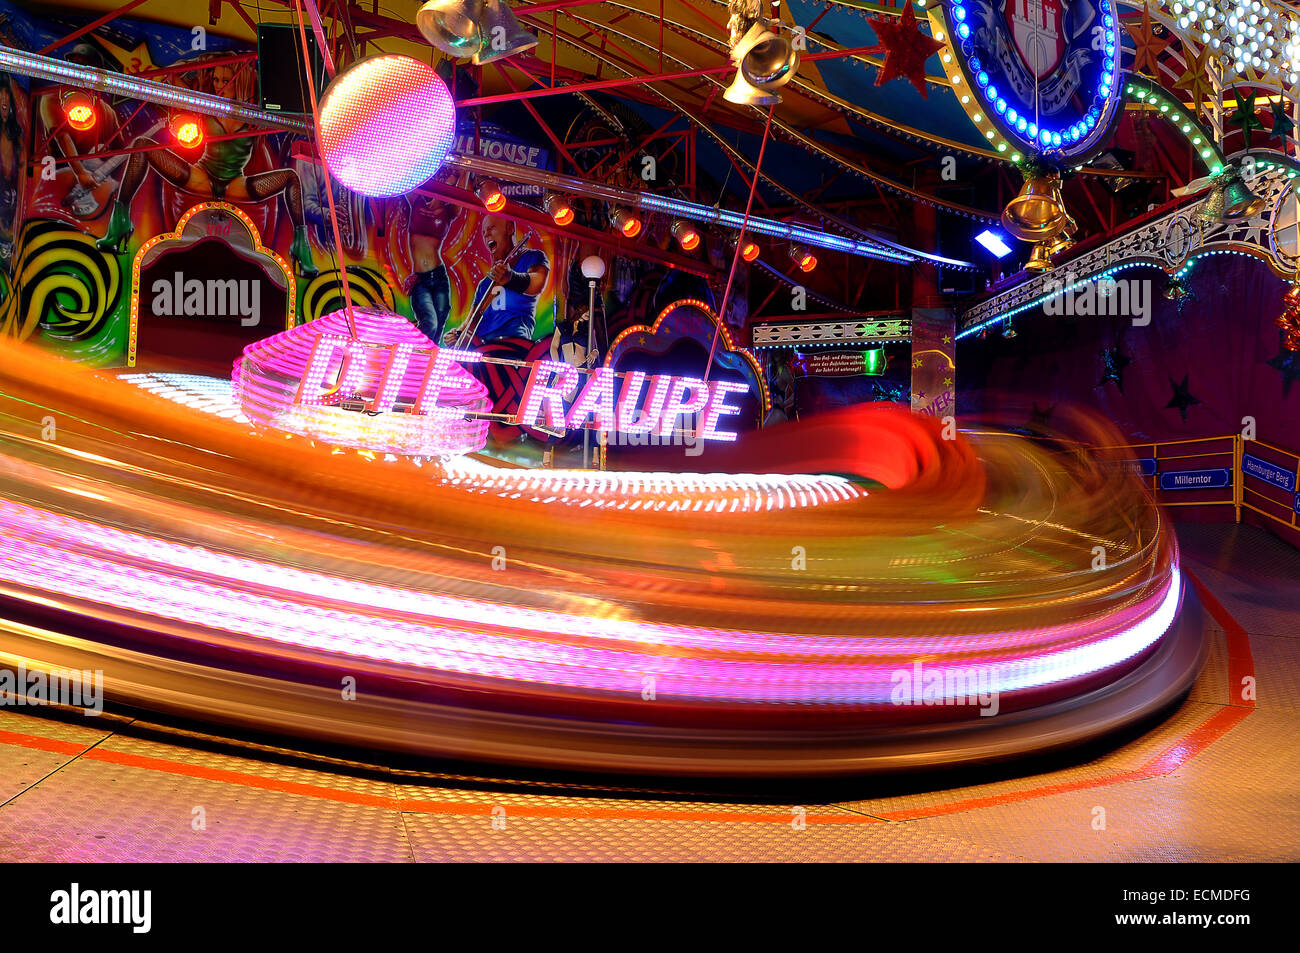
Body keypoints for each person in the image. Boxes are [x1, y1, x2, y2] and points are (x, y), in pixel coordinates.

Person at [96, 59, 316, 277]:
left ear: (241, 81)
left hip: (235, 184)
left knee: (291, 178)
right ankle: (120, 221)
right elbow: (172, 74)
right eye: (217, 79)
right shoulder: (206, 101)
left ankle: (301, 246)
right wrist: (194, 62)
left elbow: (292, 103)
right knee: (142, 146)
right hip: (200, 175)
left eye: (226, 80)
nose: (220, 85)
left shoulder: (255, 110)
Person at [445, 214, 548, 345]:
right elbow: (471, 322)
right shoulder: (484, 284)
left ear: (510, 229)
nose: (486, 234)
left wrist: (511, 278)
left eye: (491, 228)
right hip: (481, 347)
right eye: (483, 232)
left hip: (512, 342)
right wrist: (456, 335)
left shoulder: (532, 257)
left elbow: (537, 283)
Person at [403, 182, 462, 344]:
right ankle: (415, 353)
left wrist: (464, 173)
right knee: (430, 322)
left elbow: (461, 194)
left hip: (438, 275)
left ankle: (428, 359)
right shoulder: (418, 203)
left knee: (441, 318)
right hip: (421, 279)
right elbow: (405, 185)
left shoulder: (448, 212)